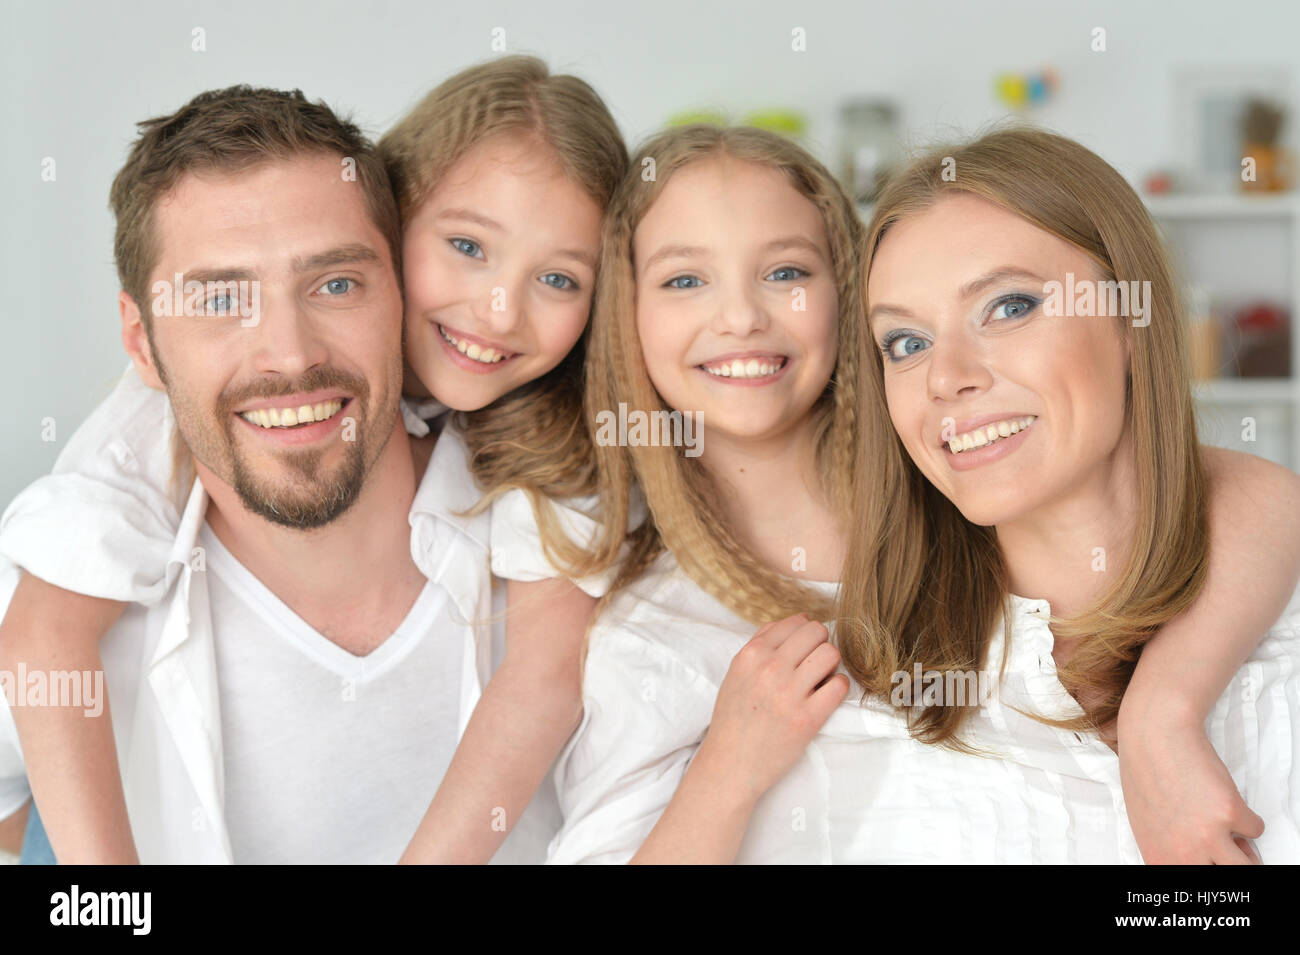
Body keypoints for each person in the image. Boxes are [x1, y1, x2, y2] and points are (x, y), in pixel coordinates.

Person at [545, 125, 1300, 864]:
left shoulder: (1250, 569)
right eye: (906, 342)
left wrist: (1160, 713)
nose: (947, 376)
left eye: (1009, 306)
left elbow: (1246, 497)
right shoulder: (866, 700)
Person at [0, 59, 630, 863]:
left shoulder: (588, 554)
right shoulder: (79, 555)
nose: (288, 354)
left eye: (335, 283)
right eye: (222, 299)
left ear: (394, 282)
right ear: (141, 345)